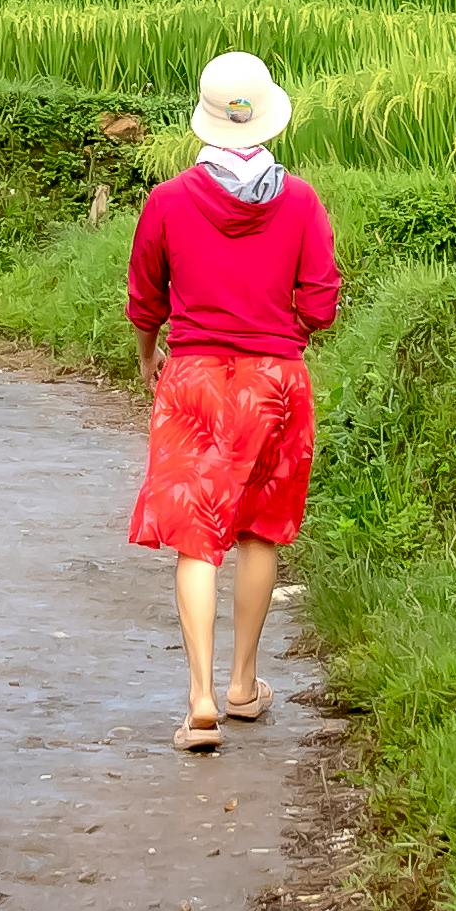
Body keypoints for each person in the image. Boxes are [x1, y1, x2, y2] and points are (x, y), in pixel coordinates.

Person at [126, 50, 335, 751]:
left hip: (194, 381)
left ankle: (202, 700)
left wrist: (149, 354)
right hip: (276, 382)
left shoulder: (169, 200)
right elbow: (322, 302)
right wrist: (284, 336)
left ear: (207, 122)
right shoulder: (301, 201)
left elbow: (145, 298)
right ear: (267, 118)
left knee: (196, 536)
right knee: (258, 530)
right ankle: (245, 684)